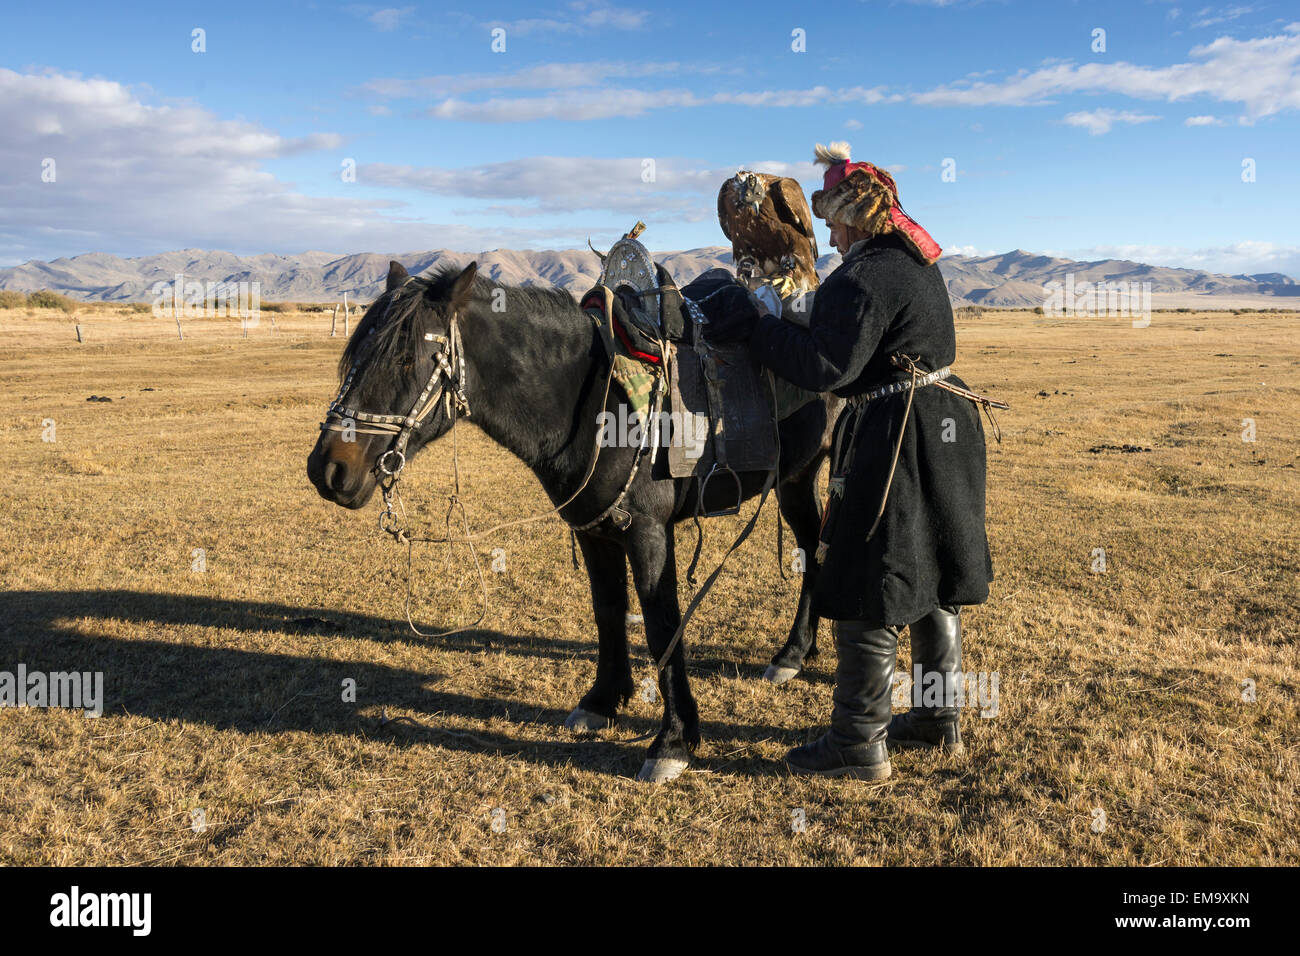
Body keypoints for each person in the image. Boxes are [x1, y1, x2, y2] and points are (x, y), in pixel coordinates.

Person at [705, 142, 997, 780]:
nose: (829, 235)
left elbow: (825, 367)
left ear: (857, 218)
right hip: (941, 424)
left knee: (873, 574)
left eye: (834, 221)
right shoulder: (910, 260)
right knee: (930, 571)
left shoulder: (865, 275)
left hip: (897, 437)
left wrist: (754, 326)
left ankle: (858, 742)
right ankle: (933, 717)